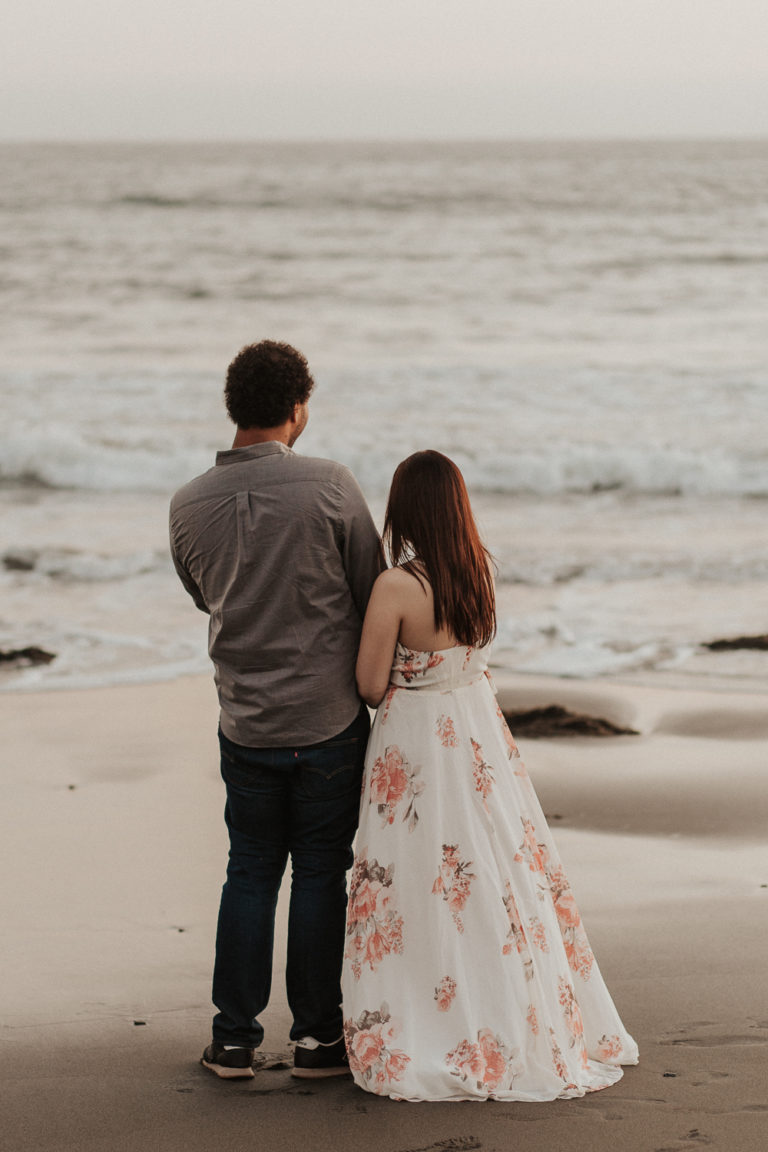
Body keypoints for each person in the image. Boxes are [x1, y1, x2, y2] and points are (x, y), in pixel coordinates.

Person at [341, 450, 638, 1101]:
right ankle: (510, 1010)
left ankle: (433, 1009)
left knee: (421, 875)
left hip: (417, 745)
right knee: (492, 869)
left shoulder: (397, 586)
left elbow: (367, 684)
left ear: (406, 509)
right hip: (477, 740)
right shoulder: (479, 572)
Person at [170, 340, 384, 1080]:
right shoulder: (330, 485)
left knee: (251, 871)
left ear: (236, 408)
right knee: (321, 871)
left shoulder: (187, 503)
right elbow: (372, 587)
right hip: (328, 720)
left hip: (247, 721)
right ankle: (318, 1040)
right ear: (298, 409)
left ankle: (233, 1039)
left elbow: (204, 595)